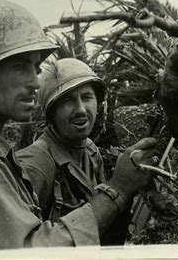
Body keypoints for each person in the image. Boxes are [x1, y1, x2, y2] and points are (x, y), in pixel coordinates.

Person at [0, 0, 159, 250]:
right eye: (20, 66)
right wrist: (118, 189)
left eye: (35, 68)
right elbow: (30, 251)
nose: (35, 83)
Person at [16, 58, 128, 245]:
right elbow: (21, 246)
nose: (81, 109)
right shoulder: (34, 165)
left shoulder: (91, 151)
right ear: (52, 113)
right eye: (68, 101)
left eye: (86, 97)